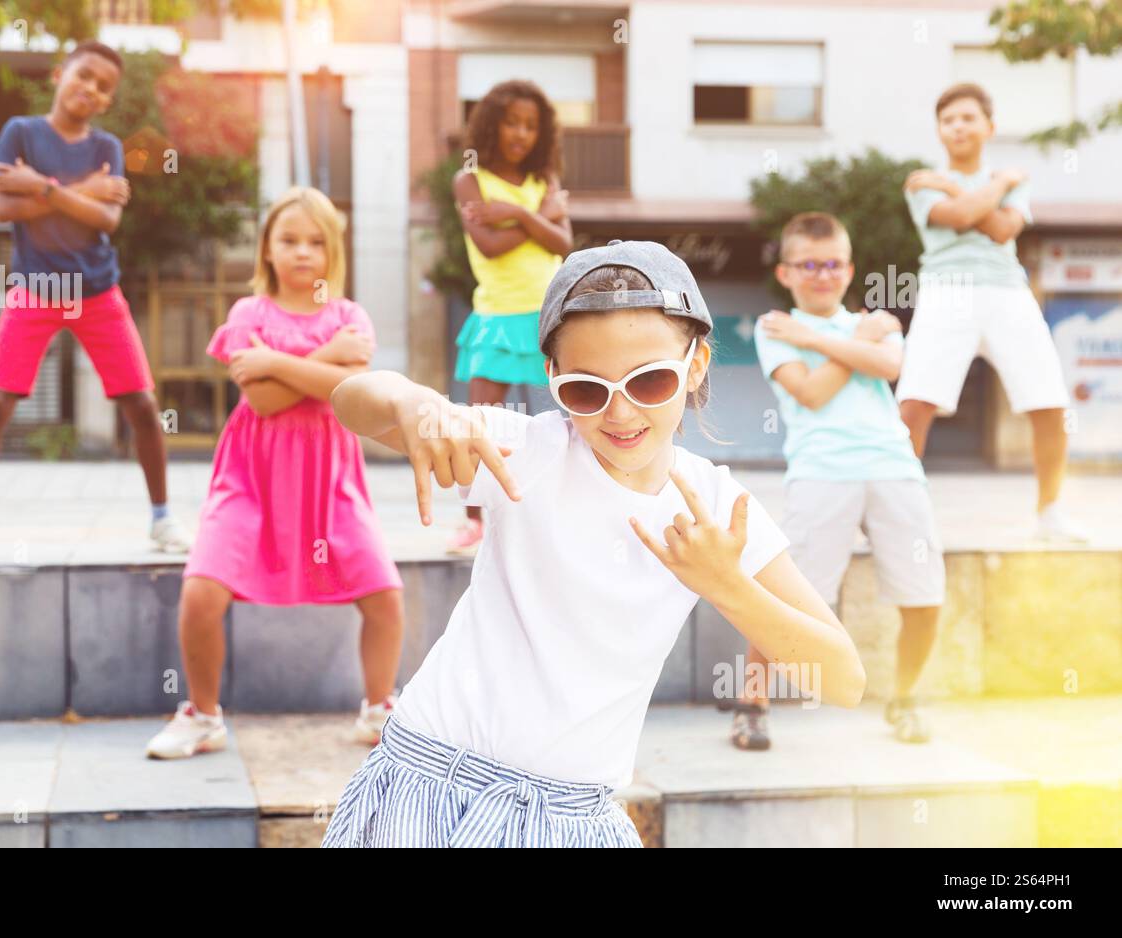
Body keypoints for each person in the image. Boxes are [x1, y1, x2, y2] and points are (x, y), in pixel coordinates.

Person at [321, 241, 866, 848]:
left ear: (696, 364)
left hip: (574, 818)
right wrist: (415, 402)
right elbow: (351, 402)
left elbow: (843, 678)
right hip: (432, 783)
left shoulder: (714, 506)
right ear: (552, 377)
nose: (620, 411)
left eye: (651, 380)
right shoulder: (526, 451)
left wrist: (727, 587)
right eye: (587, 389)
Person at [145, 187, 405, 758]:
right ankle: (204, 715)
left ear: (333, 251)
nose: (302, 252)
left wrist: (279, 363)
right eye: (288, 240)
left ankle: (379, 709)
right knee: (201, 593)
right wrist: (321, 359)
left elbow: (346, 386)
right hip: (250, 480)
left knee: (385, 594)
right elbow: (261, 401)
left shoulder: (349, 318)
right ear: (266, 248)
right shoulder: (249, 314)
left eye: (316, 242)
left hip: (329, 481)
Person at [0, 40, 189, 559]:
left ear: (107, 101)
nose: (91, 89)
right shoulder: (21, 132)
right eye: (84, 76)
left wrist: (44, 189)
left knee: (142, 403)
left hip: (97, 288)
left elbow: (106, 220)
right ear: (59, 74)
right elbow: (4, 206)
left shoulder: (108, 148)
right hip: (36, 289)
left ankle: (162, 520)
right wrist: (82, 191)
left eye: (103, 87)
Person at [740, 212, 944, 749]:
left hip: (895, 469)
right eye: (808, 264)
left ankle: (905, 699)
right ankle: (751, 704)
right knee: (788, 596)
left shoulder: (881, 323)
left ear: (849, 268)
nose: (821, 275)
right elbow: (810, 393)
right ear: (785, 272)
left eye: (832, 264)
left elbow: (890, 369)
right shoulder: (775, 328)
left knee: (924, 595)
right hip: (822, 471)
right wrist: (853, 341)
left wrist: (825, 340)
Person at [898, 82, 1086, 542]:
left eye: (967, 118)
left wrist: (973, 190)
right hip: (946, 290)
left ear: (989, 127)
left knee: (1049, 402)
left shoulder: (1011, 183)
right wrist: (996, 184)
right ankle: (898, 519)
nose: (958, 127)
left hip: (1008, 292)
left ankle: (1050, 513)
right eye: (948, 120)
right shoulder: (922, 182)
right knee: (915, 403)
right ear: (939, 131)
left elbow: (1002, 229)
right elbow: (961, 218)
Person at [448, 79, 573, 556]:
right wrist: (539, 217)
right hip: (498, 315)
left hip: (549, 315)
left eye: (530, 126)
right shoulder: (470, 181)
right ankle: (475, 523)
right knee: (481, 424)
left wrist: (517, 214)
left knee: (564, 418)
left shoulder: (547, 181)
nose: (521, 133)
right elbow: (489, 246)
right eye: (511, 123)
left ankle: (558, 514)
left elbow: (563, 244)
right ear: (491, 124)